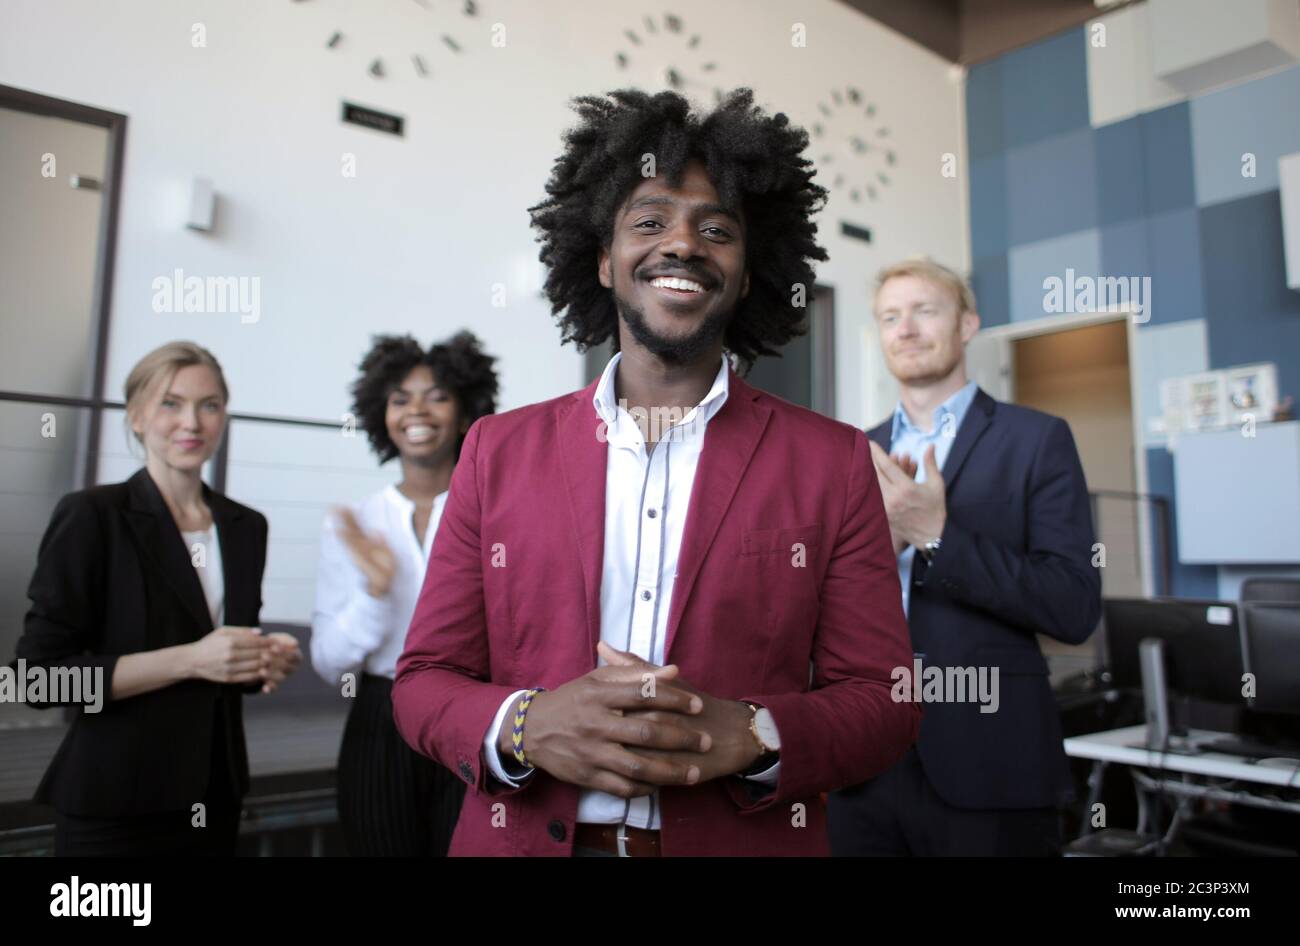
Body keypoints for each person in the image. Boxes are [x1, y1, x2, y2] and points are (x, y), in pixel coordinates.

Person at [392, 88, 920, 857]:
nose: (683, 244)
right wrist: (526, 725)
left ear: (747, 273)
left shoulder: (830, 461)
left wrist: (753, 732)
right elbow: (423, 681)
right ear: (604, 261)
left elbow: (886, 700)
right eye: (649, 222)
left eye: (717, 230)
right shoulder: (495, 451)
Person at [827, 259, 1102, 856]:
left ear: (968, 324)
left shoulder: (1037, 440)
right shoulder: (851, 452)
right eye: (890, 317)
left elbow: (1073, 605)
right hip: (861, 763)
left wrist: (937, 536)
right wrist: (883, 548)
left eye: (925, 310)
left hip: (991, 762)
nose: (906, 328)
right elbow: (818, 608)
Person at [14, 341, 301, 856]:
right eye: (171, 402)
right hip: (115, 803)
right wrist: (191, 660)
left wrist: (261, 661)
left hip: (213, 796)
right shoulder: (93, 516)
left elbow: (220, 661)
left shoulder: (245, 526)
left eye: (209, 405)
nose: (192, 421)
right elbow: (37, 679)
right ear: (138, 417)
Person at [311, 331, 498, 856]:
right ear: (382, 417)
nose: (418, 409)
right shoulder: (356, 524)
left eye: (437, 395)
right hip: (379, 720)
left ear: (466, 414)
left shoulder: (498, 514)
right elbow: (329, 662)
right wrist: (374, 591)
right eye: (400, 398)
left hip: (474, 709)